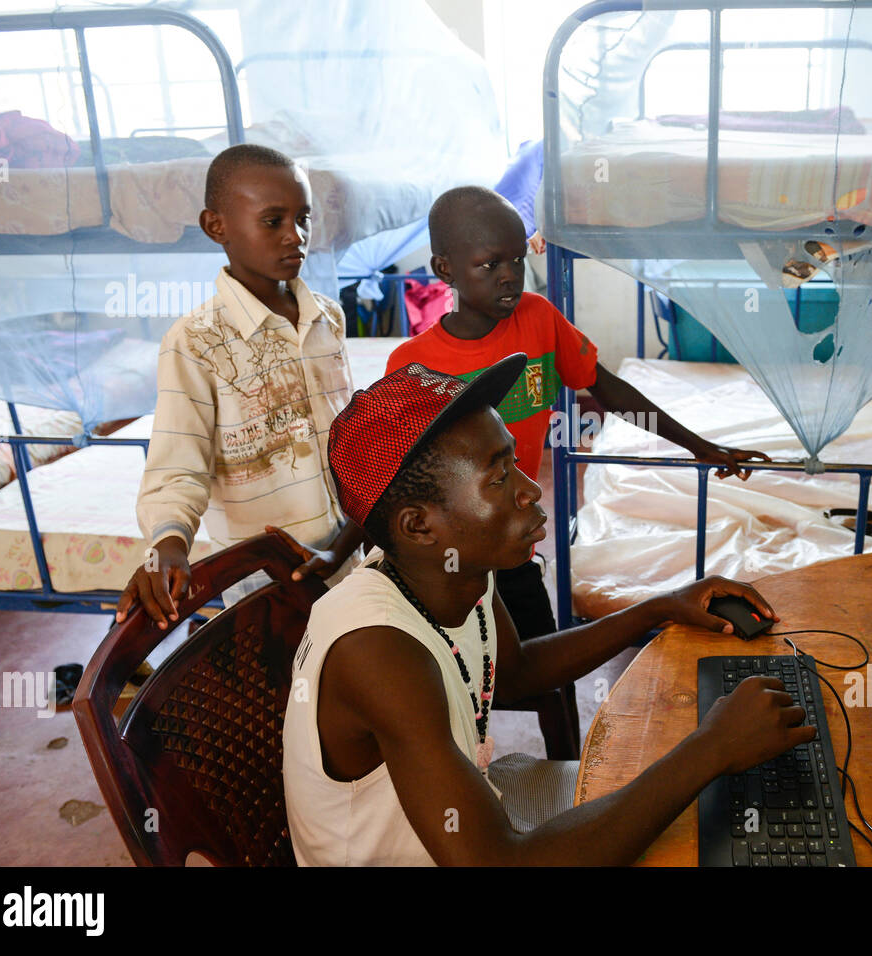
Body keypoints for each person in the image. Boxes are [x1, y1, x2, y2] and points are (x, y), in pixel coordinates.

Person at [282, 354, 814, 865]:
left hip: (473, 816)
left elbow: (517, 672)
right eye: (497, 478)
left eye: (513, 461)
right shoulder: (376, 651)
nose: (532, 490)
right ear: (419, 526)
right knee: (696, 806)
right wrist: (712, 748)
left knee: (702, 811)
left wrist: (656, 609)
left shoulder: (448, 567)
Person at [385, 185, 770, 645]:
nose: (510, 276)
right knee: (456, 672)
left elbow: (608, 389)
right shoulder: (413, 365)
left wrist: (699, 446)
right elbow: (388, 475)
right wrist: (343, 554)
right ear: (444, 269)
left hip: (511, 540)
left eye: (516, 260)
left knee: (544, 670)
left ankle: (565, 718)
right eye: (490, 264)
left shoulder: (539, 319)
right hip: (450, 553)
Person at [116, 144, 363, 629]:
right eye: (273, 221)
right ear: (217, 226)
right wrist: (168, 544)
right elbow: (176, 467)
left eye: (303, 218)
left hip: (350, 553)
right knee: (292, 697)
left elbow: (348, 433)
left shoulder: (327, 318)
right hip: (270, 579)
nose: (296, 237)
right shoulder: (195, 342)